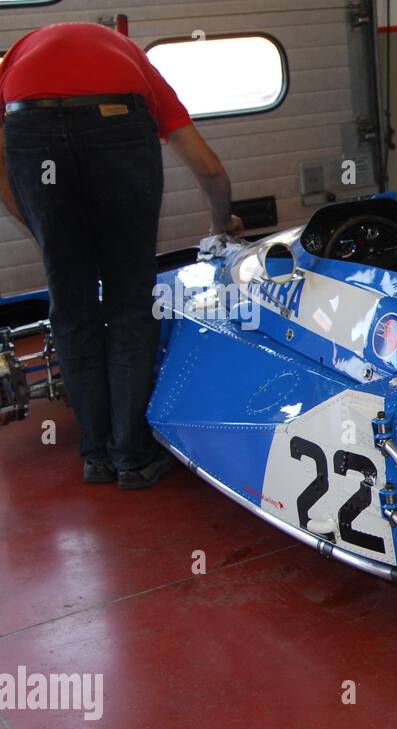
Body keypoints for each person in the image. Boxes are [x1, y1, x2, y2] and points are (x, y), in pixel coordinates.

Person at [0, 22, 243, 488]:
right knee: (130, 301)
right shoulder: (133, 62)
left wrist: (42, 229)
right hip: (118, 127)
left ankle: (95, 455)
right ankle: (133, 456)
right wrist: (220, 225)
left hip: (29, 129)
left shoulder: (16, 59)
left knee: (71, 307)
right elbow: (210, 169)